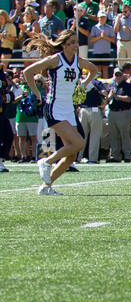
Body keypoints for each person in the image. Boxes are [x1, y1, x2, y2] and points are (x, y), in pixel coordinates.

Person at [21, 29, 86, 195]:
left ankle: (46, 187)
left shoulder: (78, 61)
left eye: (76, 42)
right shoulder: (55, 60)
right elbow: (27, 72)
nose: (75, 45)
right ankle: (46, 161)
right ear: (63, 45)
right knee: (79, 143)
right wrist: (36, 94)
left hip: (69, 109)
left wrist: (83, 85)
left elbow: (94, 70)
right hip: (55, 108)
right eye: (71, 43)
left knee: (72, 155)